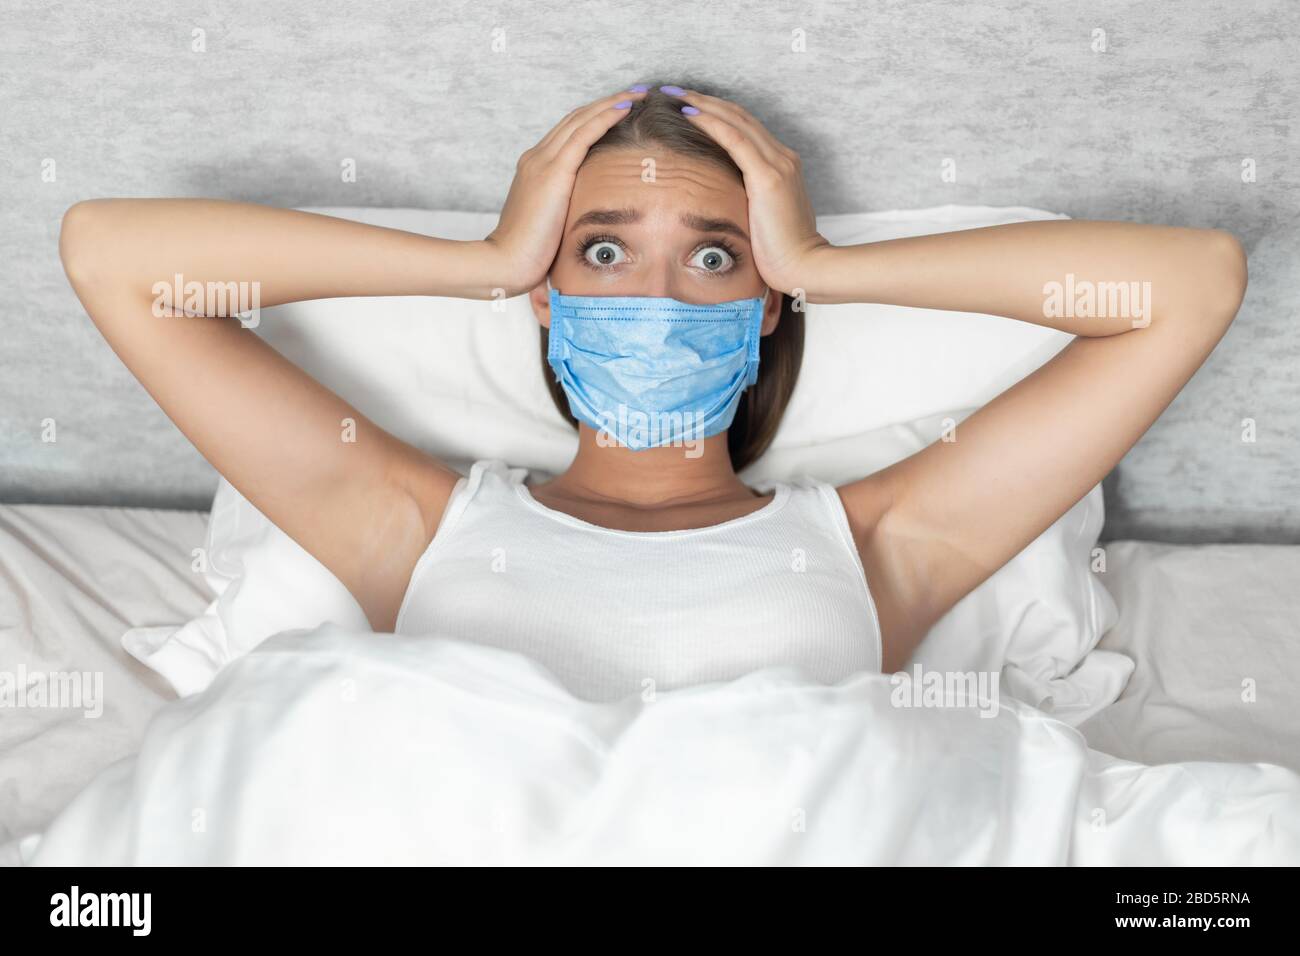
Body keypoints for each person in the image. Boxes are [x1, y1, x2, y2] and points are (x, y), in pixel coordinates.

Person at [57, 84, 1246, 701]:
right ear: (546, 291)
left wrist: (829, 266)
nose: (661, 298)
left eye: (717, 256)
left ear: (766, 302)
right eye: (606, 251)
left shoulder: (888, 539)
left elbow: (1189, 282)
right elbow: (115, 257)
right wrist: (477, 259)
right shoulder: (409, 523)